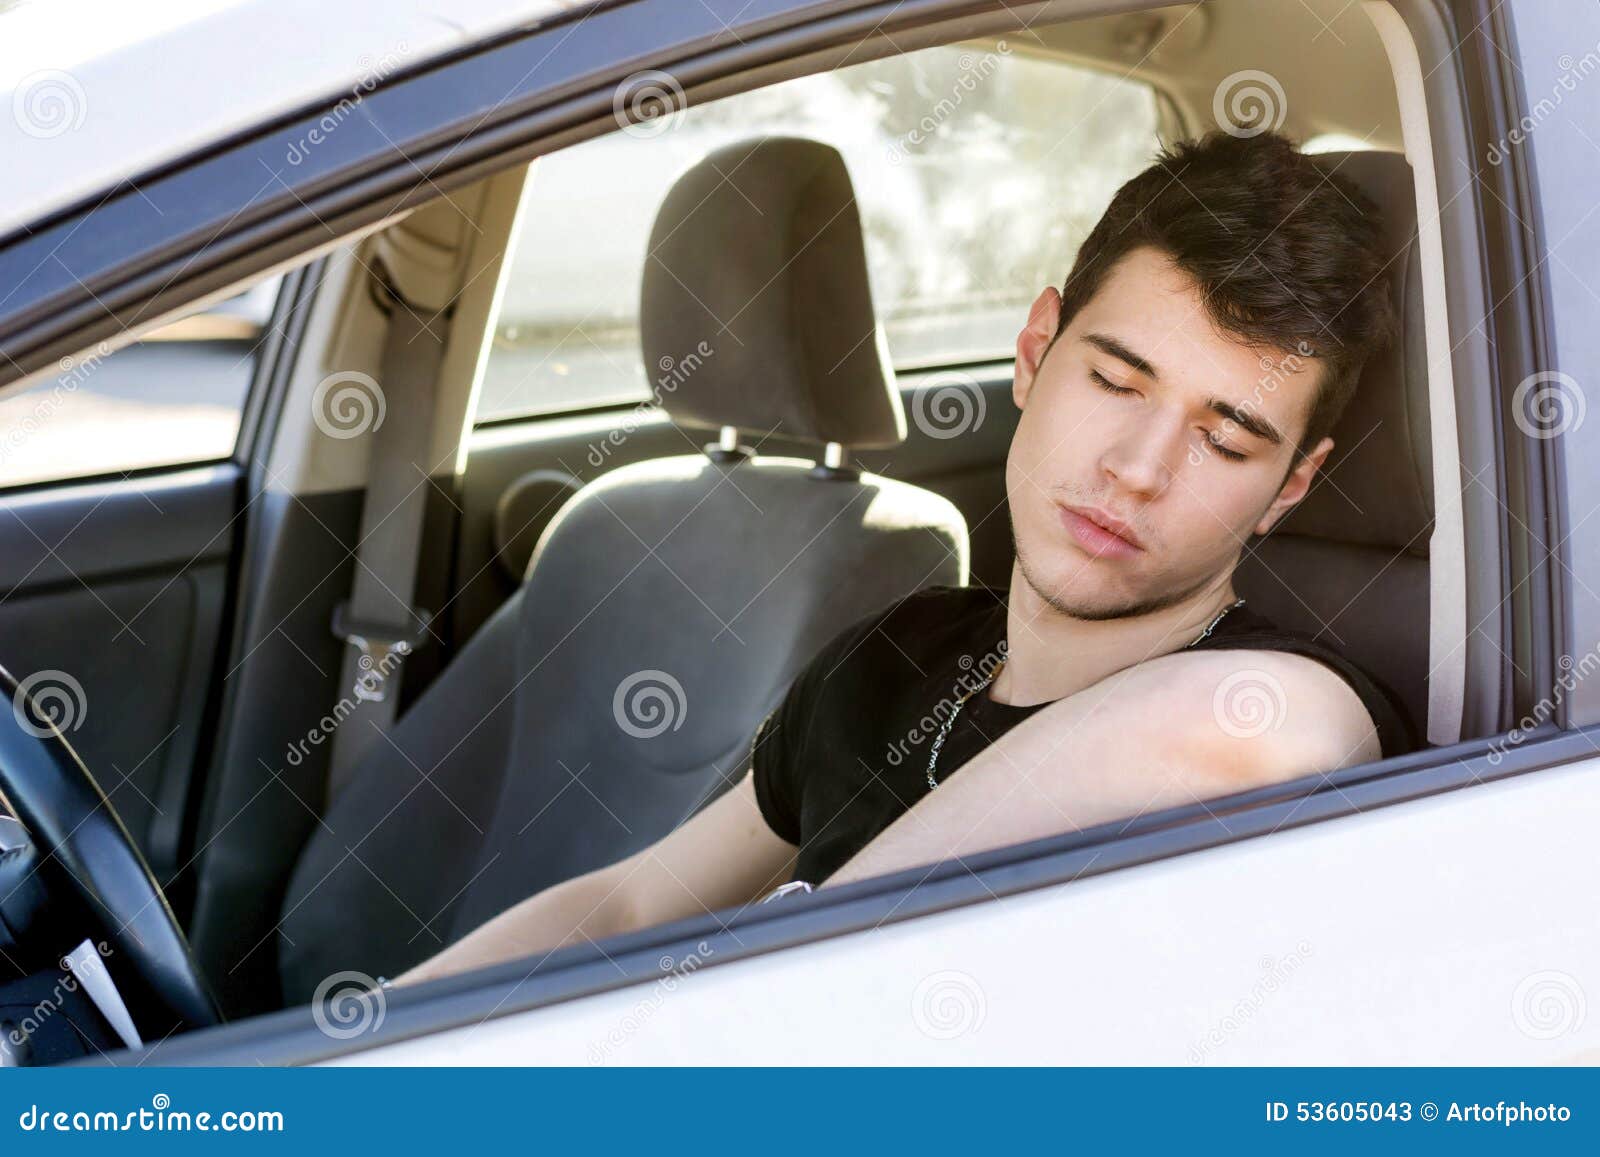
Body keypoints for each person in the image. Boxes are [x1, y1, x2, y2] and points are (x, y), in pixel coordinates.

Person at [399, 129, 1414, 985]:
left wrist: (786, 970)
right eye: (1115, 382)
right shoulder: (894, 654)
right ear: (1034, 353)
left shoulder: (1277, 696)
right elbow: (631, 903)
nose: (1138, 470)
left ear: (1290, 485)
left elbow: (1249, 733)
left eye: (1224, 440)